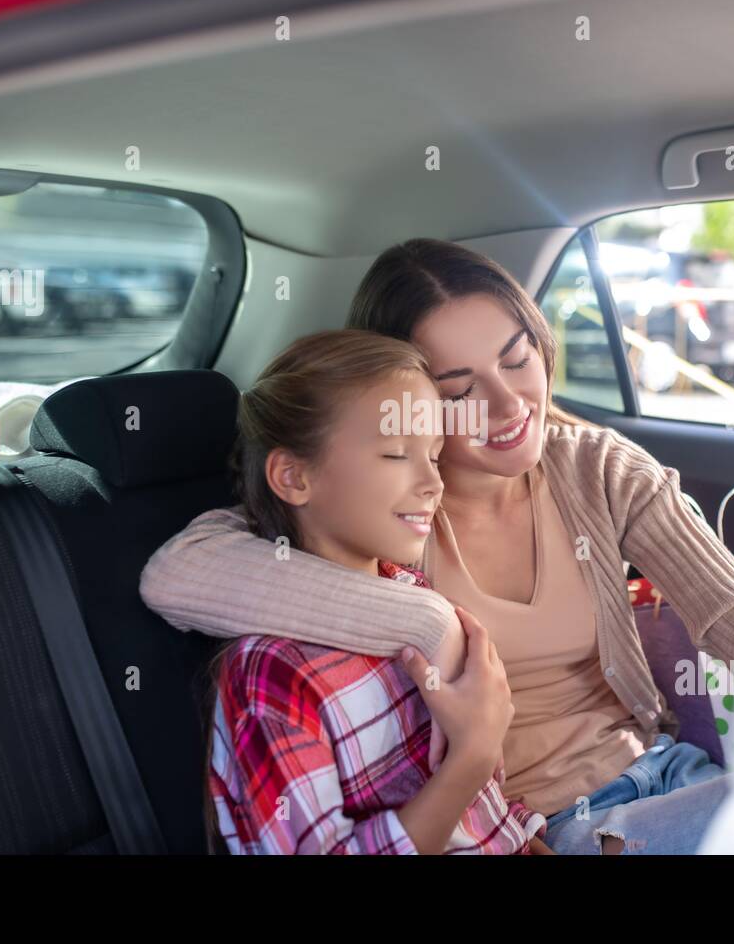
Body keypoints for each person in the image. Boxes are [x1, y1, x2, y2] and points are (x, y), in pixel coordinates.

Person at [144, 240, 734, 854]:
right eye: (458, 390)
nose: (507, 403)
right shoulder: (387, 517)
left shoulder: (596, 469)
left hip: (668, 773)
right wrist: (428, 620)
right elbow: (179, 574)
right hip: (545, 826)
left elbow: (731, 613)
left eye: (517, 359)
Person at [207, 329, 547, 854]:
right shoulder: (273, 673)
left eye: (433, 455)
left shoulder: (411, 596)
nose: (434, 482)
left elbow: (489, 815)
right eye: (396, 454)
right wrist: (472, 758)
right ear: (294, 476)